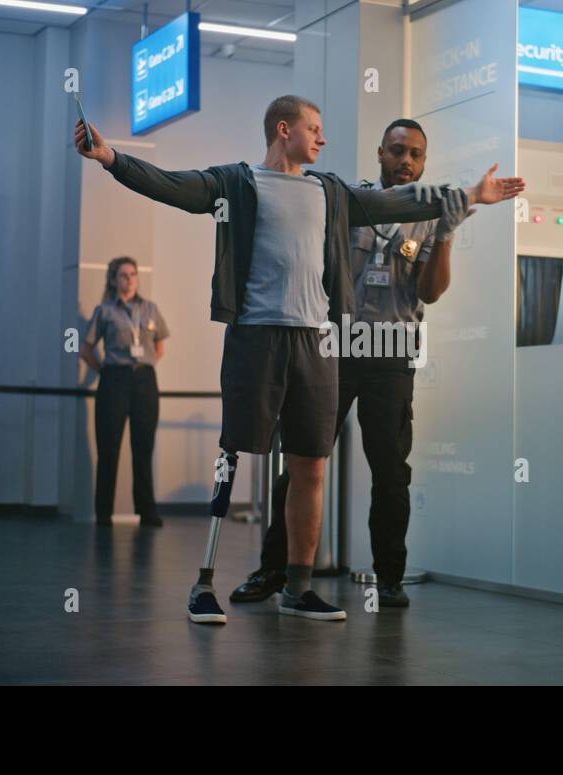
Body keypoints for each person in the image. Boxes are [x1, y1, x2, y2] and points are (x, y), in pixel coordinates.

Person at [75, 95, 523, 624]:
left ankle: (300, 587)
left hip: (319, 343)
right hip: (262, 337)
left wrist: (470, 195)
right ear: (284, 130)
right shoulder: (239, 184)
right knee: (239, 452)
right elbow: (174, 186)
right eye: (315, 128)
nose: (323, 138)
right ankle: (209, 582)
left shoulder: (330, 192)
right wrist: (111, 159)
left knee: (314, 463)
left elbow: (402, 204)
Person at [231, 118, 463, 608]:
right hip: (334, 348)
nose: (406, 161)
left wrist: (445, 236)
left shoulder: (429, 215)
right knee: (301, 465)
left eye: (416, 154)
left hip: (391, 352)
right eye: (397, 150)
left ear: (424, 161)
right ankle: (275, 572)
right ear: (379, 153)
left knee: (391, 473)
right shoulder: (347, 203)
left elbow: (431, 292)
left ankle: (390, 579)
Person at [81, 256, 170, 527]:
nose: (129, 279)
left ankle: (147, 511)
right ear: (113, 279)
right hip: (114, 381)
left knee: (143, 448)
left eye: (133, 274)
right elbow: (84, 348)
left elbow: (159, 348)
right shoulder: (104, 311)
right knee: (109, 449)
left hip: (144, 382)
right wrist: (105, 371)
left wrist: (142, 366)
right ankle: (104, 514)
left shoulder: (151, 309)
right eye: (123, 275)